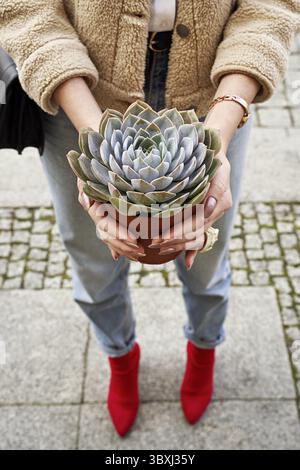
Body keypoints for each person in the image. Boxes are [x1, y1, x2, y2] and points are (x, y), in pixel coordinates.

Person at [0, 0, 299, 437]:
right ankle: (120, 356)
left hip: (215, 96)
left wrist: (221, 124)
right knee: (92, 258)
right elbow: (26, 8)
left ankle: (203, 348)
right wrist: (96, 141)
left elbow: (271, 6)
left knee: (207, 254)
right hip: (78, 92)